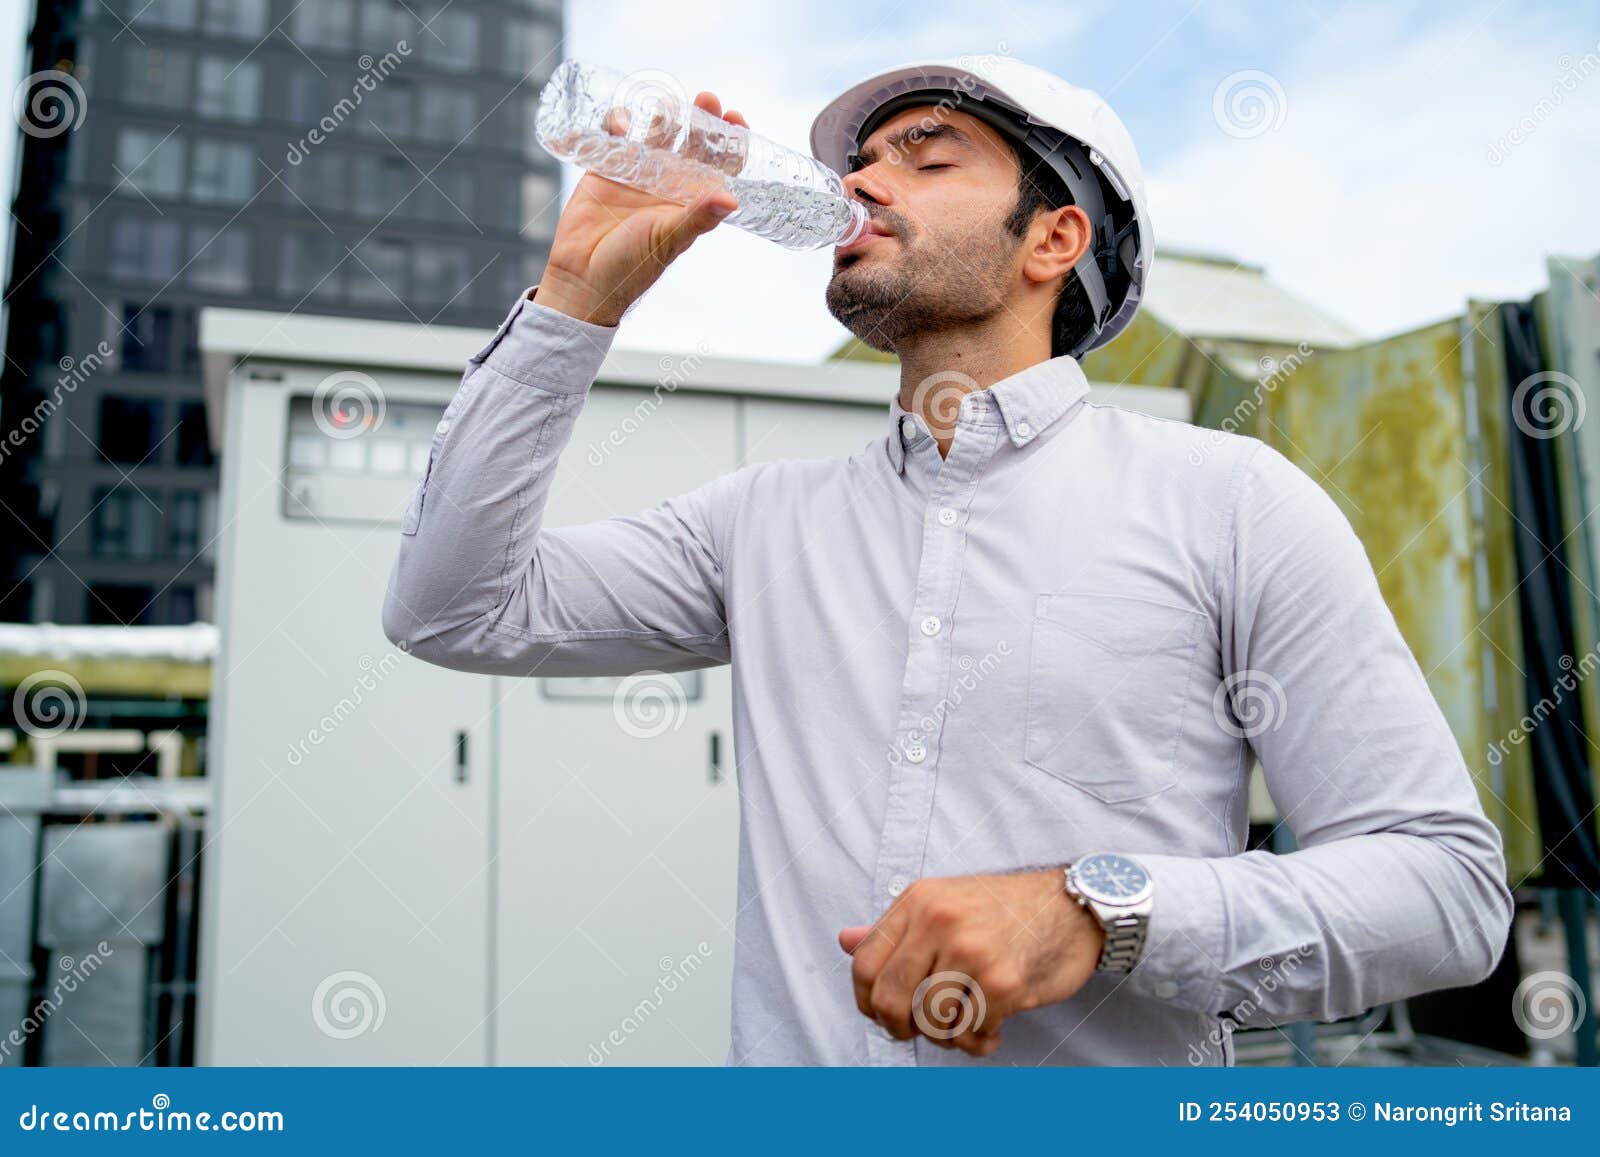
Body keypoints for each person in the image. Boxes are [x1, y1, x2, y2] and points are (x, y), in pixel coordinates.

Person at [382, 56, 1512, 1065]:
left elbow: (1445, 893)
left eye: (925, 161)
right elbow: (453, 607)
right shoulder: (760, 522)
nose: (864, 184)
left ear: (1053, 240)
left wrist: (1096, 910)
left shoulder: (1231, 503)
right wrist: (577, 296)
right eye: (863, 163)